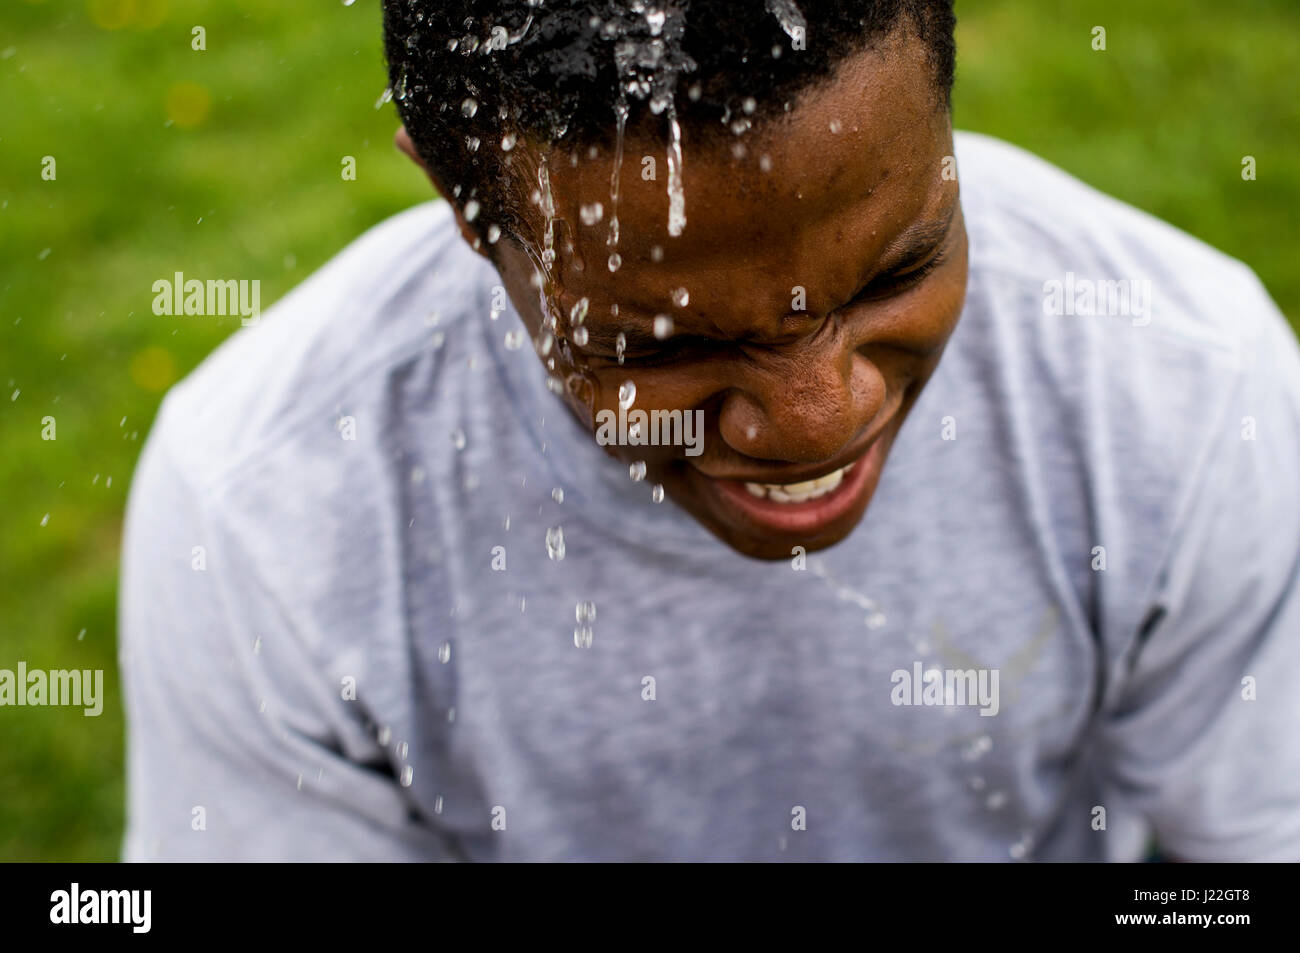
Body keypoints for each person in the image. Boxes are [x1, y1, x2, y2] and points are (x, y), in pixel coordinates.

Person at [119, 1, 1300, 861]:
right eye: (662, 345)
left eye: (898, 270)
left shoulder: (1177, 383)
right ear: (464, 209)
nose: (816, 418)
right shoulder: (260, 514)